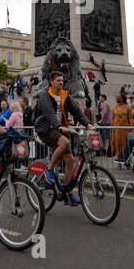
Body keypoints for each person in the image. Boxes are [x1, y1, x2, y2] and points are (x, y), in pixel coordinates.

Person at [34, 70, 91, 204]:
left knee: (70, 159)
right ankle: (49, 170)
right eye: (58, 80)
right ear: (52, 82)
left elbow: (76, 111)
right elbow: (49, 113)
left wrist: (88, 124)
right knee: (65, 142)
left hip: (59, 129)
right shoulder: (45, 95)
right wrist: (59, 126)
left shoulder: (65, 95)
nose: (61, 82)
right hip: (46, 128)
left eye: (62, 80)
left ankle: (67, 193)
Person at [111, 91, 131, 163]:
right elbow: (113, 119)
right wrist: (111, 128)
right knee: (117, 145)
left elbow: (130, 119)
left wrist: (131, 129)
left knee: (125, 146)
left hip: (125, 130)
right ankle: (119, 164)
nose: (116, 98)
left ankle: (127, 163)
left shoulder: (128, 108)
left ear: (122, 98)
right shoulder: (114, 108)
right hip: (116, 130)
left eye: (118, 97)